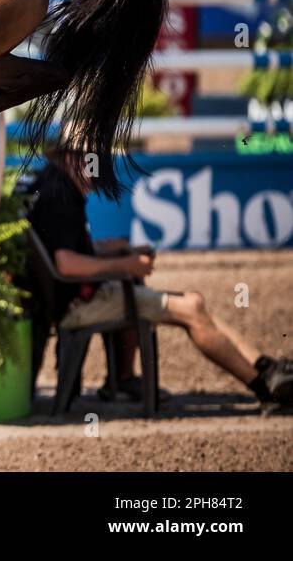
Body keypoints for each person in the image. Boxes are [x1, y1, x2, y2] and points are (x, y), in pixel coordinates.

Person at [27, 147, 292, 412]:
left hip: (81, 297)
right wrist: (125, 263)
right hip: (83, 303)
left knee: (194, 302)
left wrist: (116, 249)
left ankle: (266, 368)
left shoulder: (55, 184)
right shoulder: (60, 196)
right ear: (76, 158)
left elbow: (67, 250)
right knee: (191, 309)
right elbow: (66, 263)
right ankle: (264, 388)